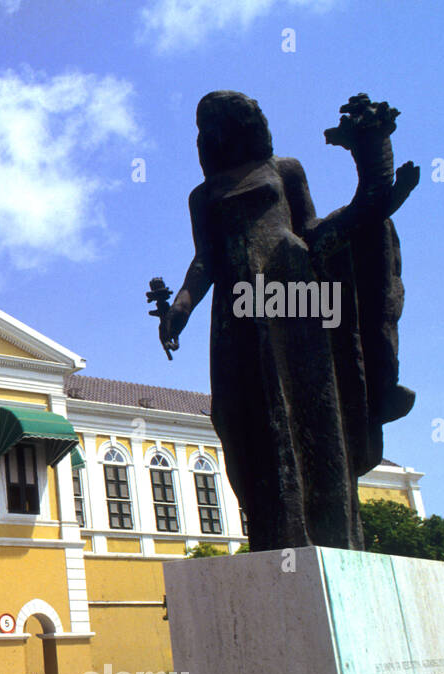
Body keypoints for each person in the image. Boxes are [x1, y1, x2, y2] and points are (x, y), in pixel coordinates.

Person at [158, 91, 416, 552]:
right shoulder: (203, 195)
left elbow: (310, 229)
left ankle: (328, 531)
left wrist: (369, 210)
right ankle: (274, 530)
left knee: (309, 406)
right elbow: (205, 261)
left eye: (217, 123)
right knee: (240, 414)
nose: (210, 135)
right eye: (204, 127)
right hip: (238, 307)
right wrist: (181, 306)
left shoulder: (285, 170)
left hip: (292, 292)